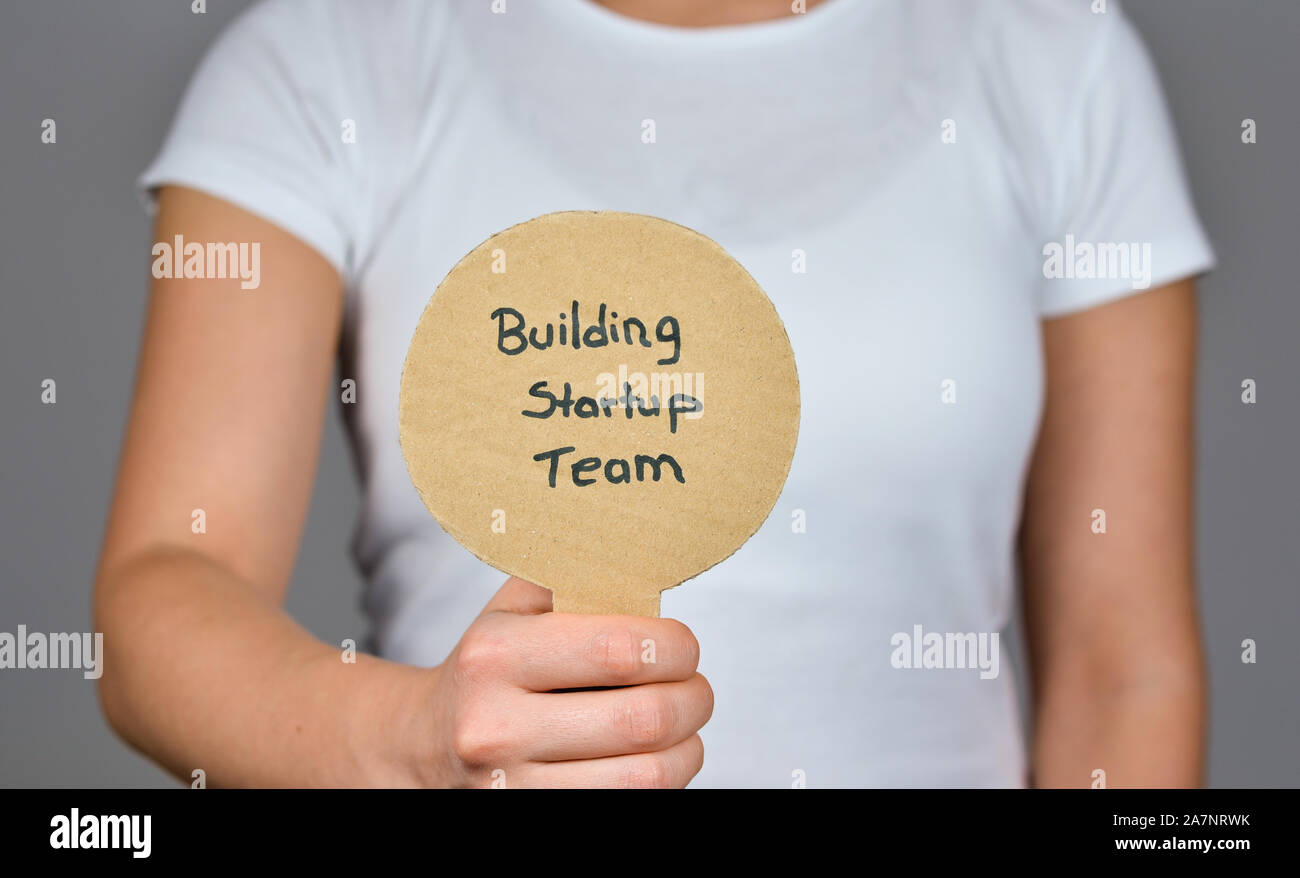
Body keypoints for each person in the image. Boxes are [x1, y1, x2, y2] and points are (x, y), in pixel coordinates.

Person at [94, 0, 1215, 788]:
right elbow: (165, 592)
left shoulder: (1056, 57)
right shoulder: (327, 58)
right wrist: (416, 741)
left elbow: (1124, 661)